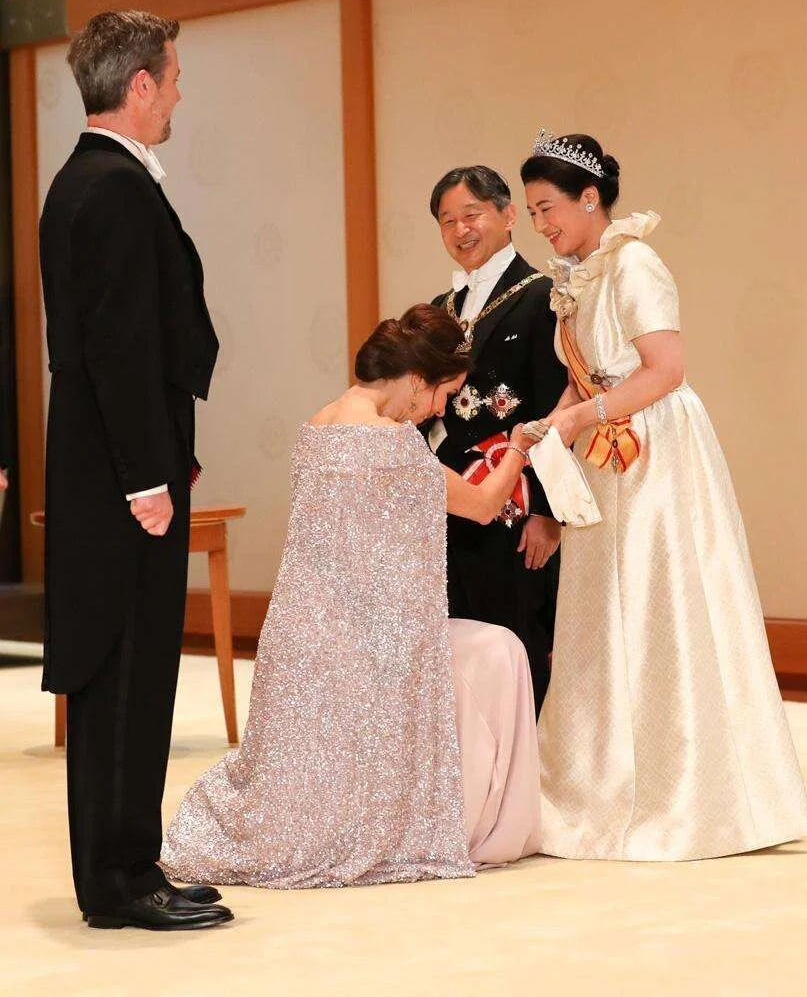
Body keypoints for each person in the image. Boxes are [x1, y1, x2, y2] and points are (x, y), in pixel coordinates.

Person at [162, 305, 541, 888]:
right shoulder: (394, 445)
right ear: (417, 380)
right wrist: (519, 446)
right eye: (444, 394)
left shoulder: (317, 425)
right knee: (500, 648)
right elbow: (486, 505)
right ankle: (482, 816)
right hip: (371, 650)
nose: (441, 409)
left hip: (300, 644)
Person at [522, 131, 807, 861]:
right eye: (533, 213)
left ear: (591, 199)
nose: (544, 224)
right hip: (603, 444)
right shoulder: (579, 273)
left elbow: (665, 369)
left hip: (652, 450)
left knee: (658, 602)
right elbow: (589, 375)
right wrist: (555, 422)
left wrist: (581, 417)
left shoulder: (636, 262)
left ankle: (681, 788)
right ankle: (600, 779)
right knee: (599, 612)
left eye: (549, 207)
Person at [39, 11, 231, 929]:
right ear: (141, 84)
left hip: (110, 463)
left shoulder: (88, 178)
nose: (181, 92)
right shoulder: (111, 186)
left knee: (134, 670)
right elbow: (116, 346)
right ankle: (119, 882)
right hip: (122, 475)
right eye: (176, 76)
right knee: (126, 671)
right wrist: (147, 477)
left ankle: (130, 865)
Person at [426, 166, 568, 713]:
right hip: (445, 501)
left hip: (515, 507)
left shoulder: (543, 297)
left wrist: (548, 512)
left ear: (509, 216)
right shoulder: (440, 307)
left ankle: (521, 775)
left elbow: (558, 408)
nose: (461, 230)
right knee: (456, 636)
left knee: (516, 637)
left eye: (472, 215)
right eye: (447, 221)